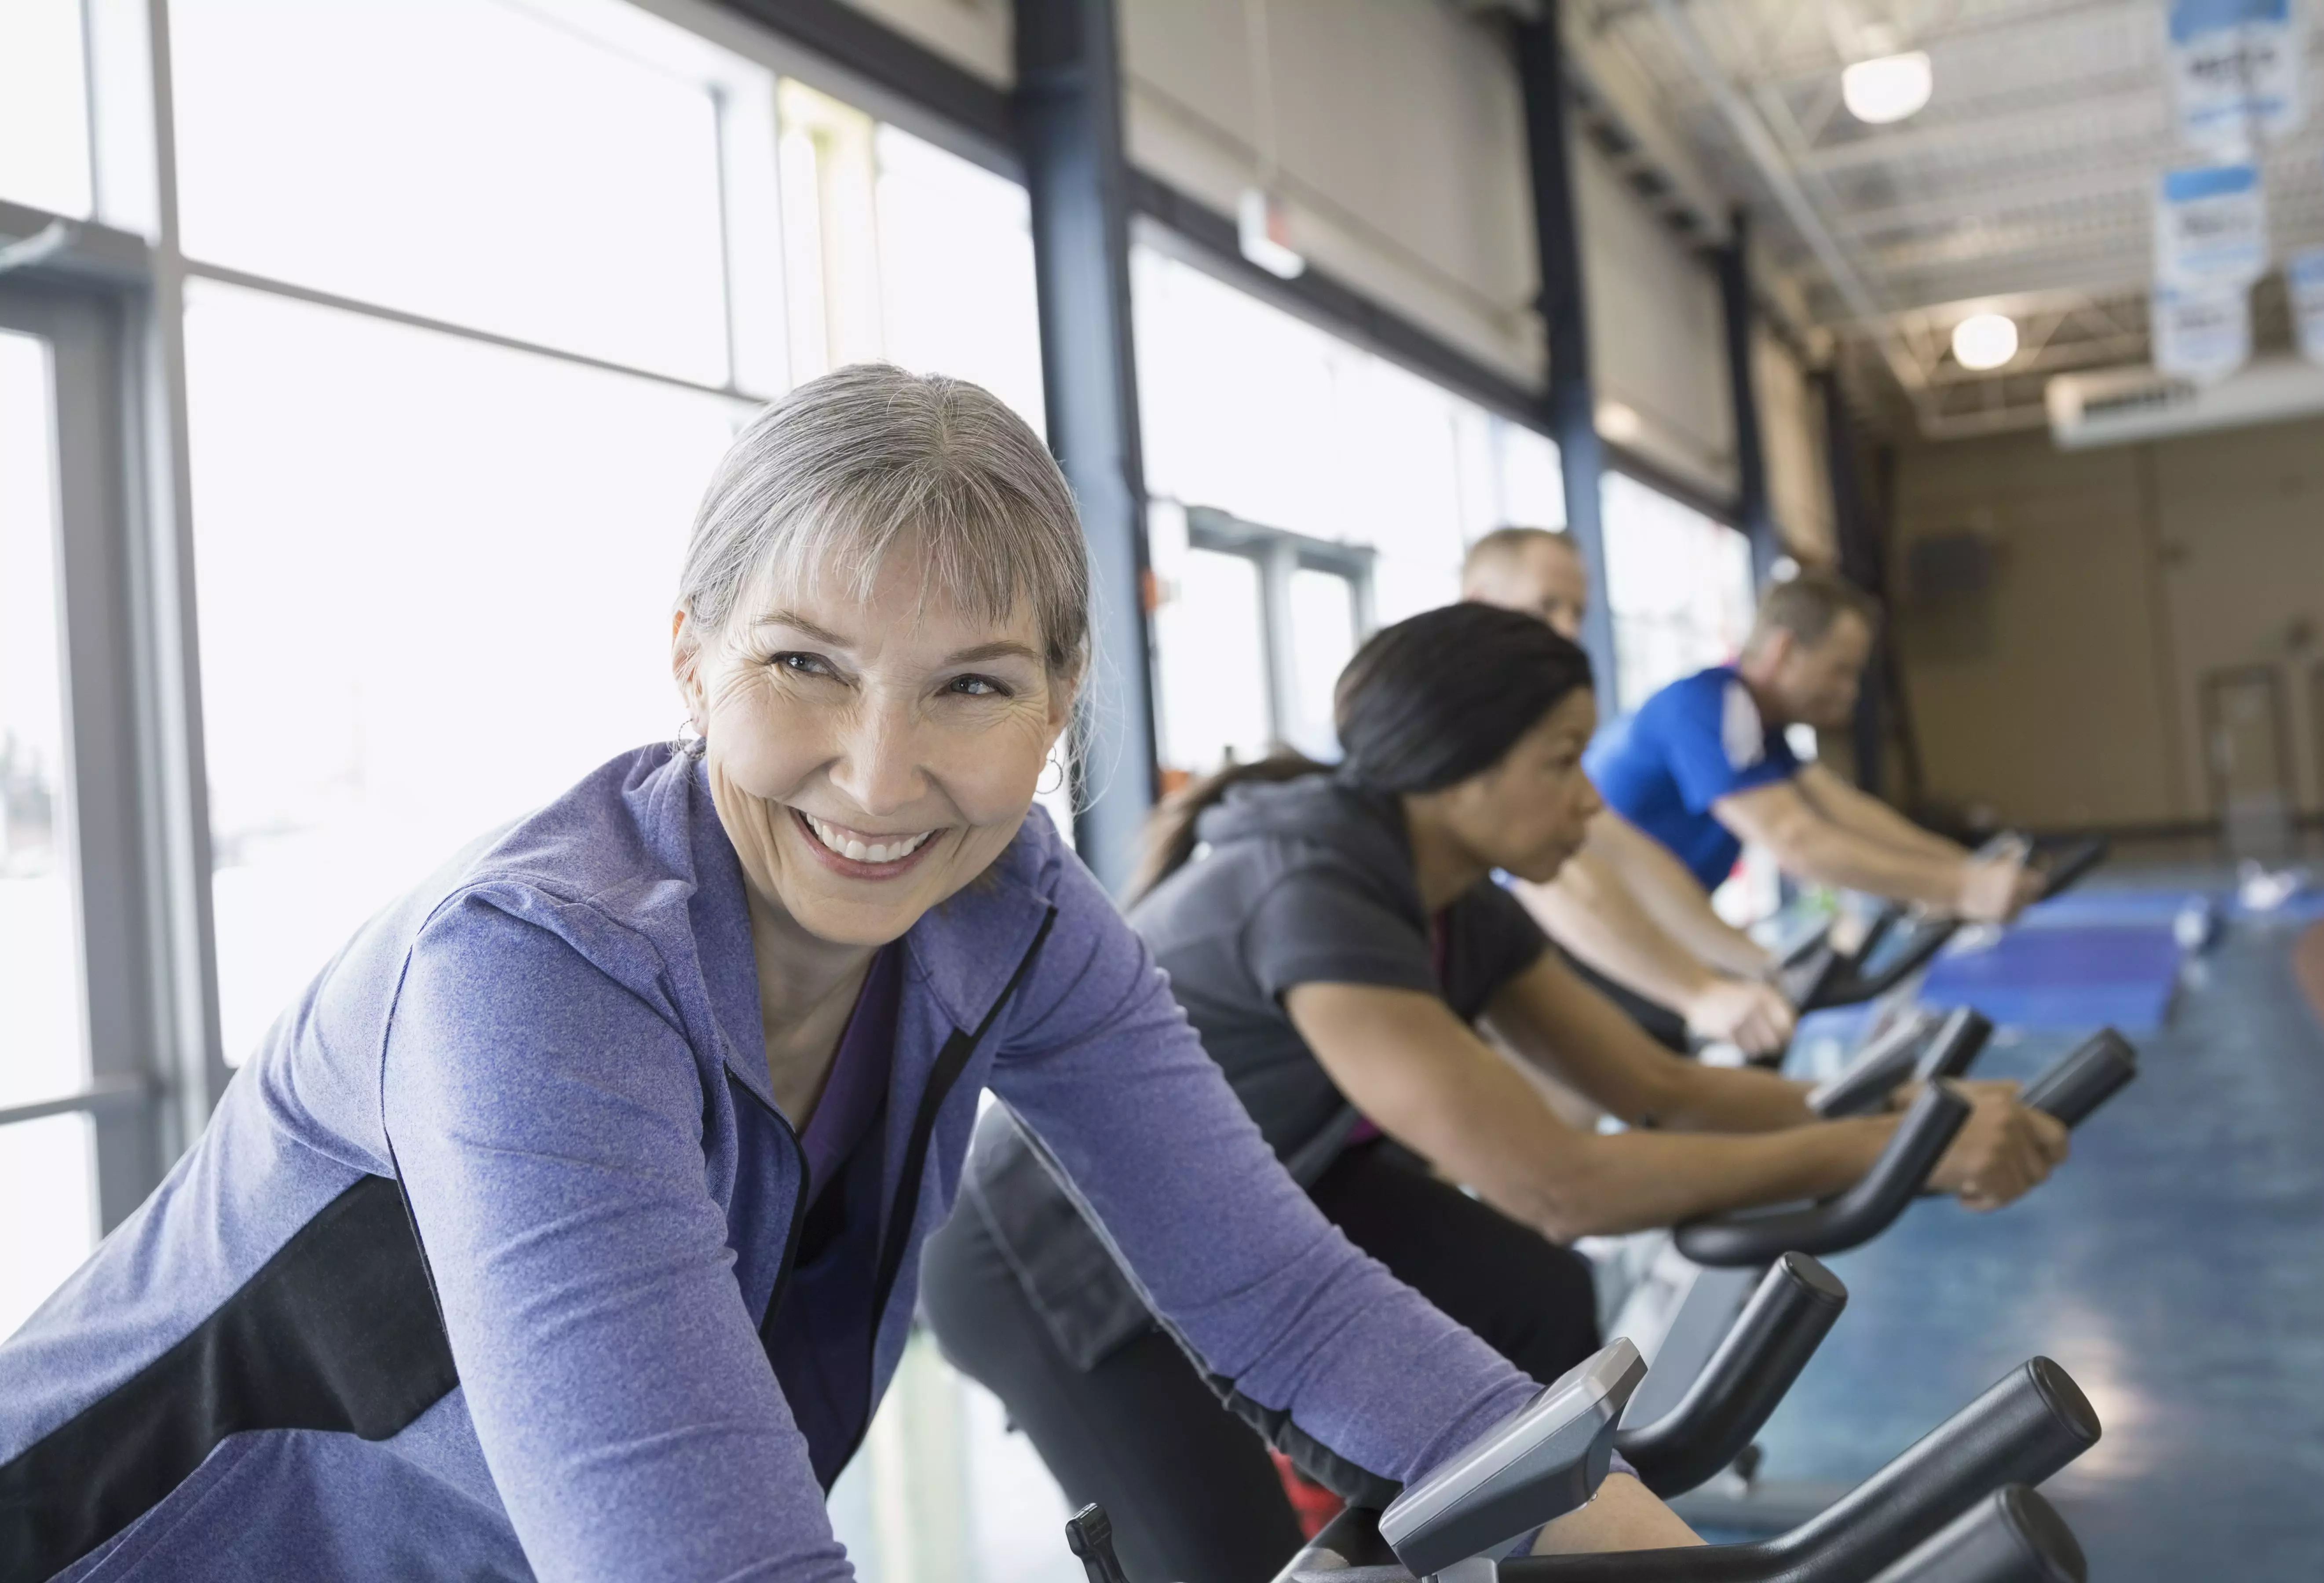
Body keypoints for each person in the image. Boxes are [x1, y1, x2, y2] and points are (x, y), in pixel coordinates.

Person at [0, 368, 1696, 1583]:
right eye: (805, 664)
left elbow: (1281, 1295)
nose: (880, 780)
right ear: (690, 655)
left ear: (1060, 697)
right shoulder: (531, 984)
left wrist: (1614, 1524)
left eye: (970, 687)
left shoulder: (1011, 912)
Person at [921, 602, 2067, 1583]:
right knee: (1235, 1558)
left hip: (1265, 1204)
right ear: (1457, 771)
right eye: (1559, 761)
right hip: (1056, 1272)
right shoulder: (1313, 889)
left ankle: (1475, 1537)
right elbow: (1558, 1179)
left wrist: (1914, 1120)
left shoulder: (1455, 896)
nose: (1586, 801)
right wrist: (1878, 1150)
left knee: (1531, 1301)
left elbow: (1656, 1085)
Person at [1461, 528, 1794, 1055]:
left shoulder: (1528, 721)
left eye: (1577, 613)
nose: (1566, 631)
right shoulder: (1459, 722)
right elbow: (1560, 881)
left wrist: (1758, 964)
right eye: (1545, 608)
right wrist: (1701, 993)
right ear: (1478, 603)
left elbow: (1633, 859)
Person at [1594, 568, 2042, 923]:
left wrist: (1967, 867)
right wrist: (1958, 888)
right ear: (1784, 651)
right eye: (1839, 670)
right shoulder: (1707, 707)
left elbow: (1845, 811)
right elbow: (1795, 842)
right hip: (1600, 935)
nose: (1848, 692)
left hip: (1652, 929)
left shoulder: (1759, 726)